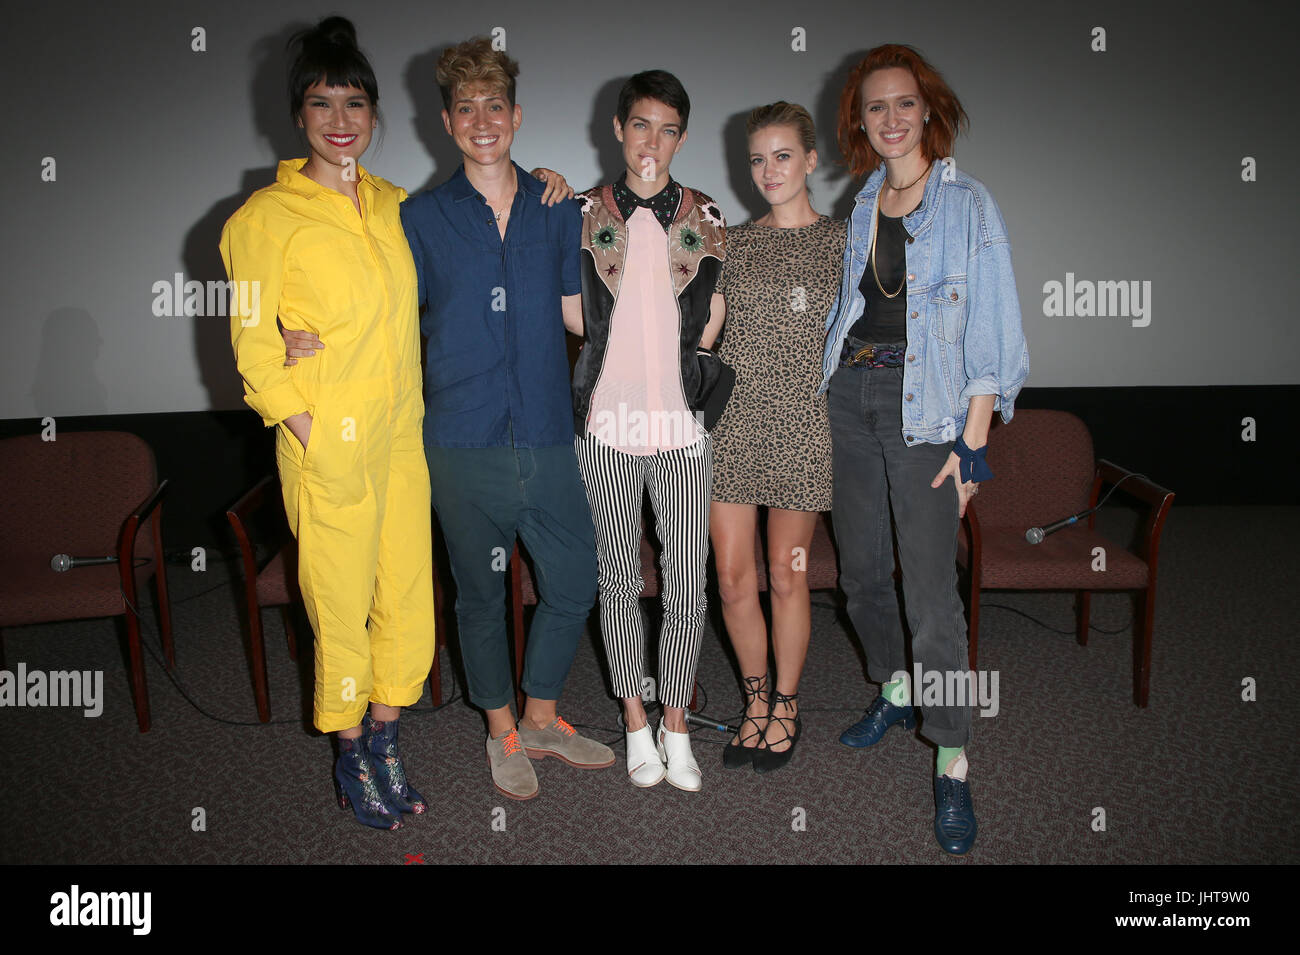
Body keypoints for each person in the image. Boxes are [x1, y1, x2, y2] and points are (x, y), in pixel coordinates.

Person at [221, 16, 434, 830]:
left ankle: (385, 734)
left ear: (374, 112)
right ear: (298, 115)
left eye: (354, 102)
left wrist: (545, 182)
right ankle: (351, 756)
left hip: (402, 441)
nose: (340, 120)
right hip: (328, 444)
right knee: (340, 605)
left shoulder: (395, 205)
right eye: (321, 104)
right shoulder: (260, 220)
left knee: (409, 598)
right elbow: (251, 350)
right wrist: (312, 431)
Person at [820, 44, 1029, 854]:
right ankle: (896, 686)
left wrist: (973, 451)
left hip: (929, 414)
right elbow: (849, 313)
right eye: (875, 107)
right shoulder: (863, 202)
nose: (891, 118)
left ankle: (952, 756)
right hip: (850, 398)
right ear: (860, 121)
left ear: (929, 109)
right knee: (863, 575)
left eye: (904, 103)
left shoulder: (970, 205)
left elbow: (995, 338)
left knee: (931, 596)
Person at [571, 70, 726, 791]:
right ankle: (634, 719)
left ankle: (676, 722)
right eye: (640, 125)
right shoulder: (579, 211)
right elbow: (573, 316)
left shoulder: (707, 213)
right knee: (618, 579)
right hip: (604, 425)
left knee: (690, 586)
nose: (651, 141)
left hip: (681, 429)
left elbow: (713, 316)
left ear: (682, 137)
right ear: (618, 128)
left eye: (667, 128)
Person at [709, 102, 844, 774]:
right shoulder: (733, 241)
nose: (768, 170)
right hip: (733, 425)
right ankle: (754, 701)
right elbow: (707, 335)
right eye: (757, 158)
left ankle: (787, 703)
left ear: (811, 160)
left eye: (782, 155)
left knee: (788, 578)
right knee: (734, 580)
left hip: (804, 423)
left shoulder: (845, 242)